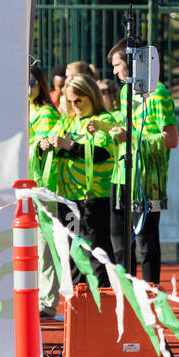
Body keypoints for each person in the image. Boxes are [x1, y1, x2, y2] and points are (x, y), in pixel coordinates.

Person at [106, 40, 179, 287]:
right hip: (121, 174)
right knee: (119, 241)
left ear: (134, 64)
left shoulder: (158, 93)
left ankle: (151, 294)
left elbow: (171, 139)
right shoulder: (126, 92)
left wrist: (132, 138)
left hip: (146, 180)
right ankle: (125, 293)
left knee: (145, 243)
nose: (115, 72)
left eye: (118, 65)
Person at [40, 72, 117, 288]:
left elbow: (102, 152)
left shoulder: (104, 121)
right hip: (67, 198)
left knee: (95, 252)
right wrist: (44, 144)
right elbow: (49, 139)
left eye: (79, 100)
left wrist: (68, 146)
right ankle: (79, 302)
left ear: (91, 96)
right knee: (73, 252)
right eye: (70, 101)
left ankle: (103, 301)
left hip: (92, 198)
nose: (75, 106)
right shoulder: (67, 121)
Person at [29, 65, 62, 318]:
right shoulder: (24, 111)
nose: (27, 88)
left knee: (44, 245)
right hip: (23, 186)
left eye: (31, 82)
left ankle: (48, 300)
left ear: (40, 84)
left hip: (42, 186)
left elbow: (42, 148)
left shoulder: (46, 113)